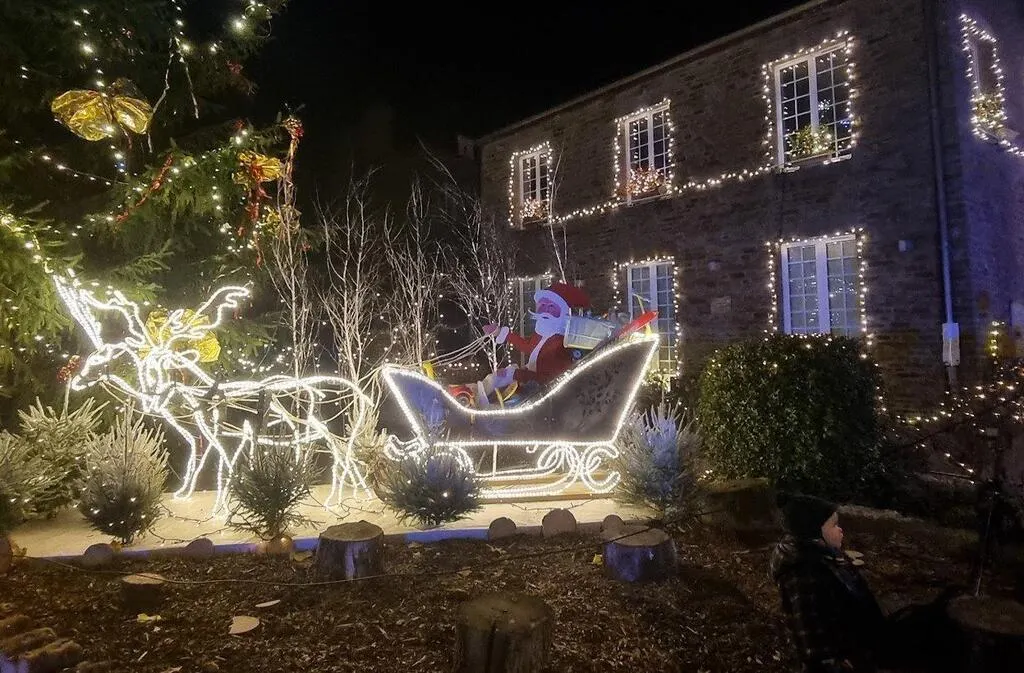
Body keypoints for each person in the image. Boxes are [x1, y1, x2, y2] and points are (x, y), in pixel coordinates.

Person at [770, 492, 960, 673]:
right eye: (834, 525)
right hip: (851, 652)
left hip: (863, 636)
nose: (840, 529)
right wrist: (841, 663)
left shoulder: (823, 555)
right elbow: (810, 637)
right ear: (813, 534)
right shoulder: (803, 574)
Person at [477, 281, 590, 401]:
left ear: (562, 312)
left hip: (545, 399)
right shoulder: (542, 333)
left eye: (551, 307)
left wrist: (515, 374)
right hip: (532, 387)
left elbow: (548, 380)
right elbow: (528, 347)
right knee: (495, 381)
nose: (545, 311)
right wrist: (500, 332)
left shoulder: (561, 344)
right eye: (543, 305)